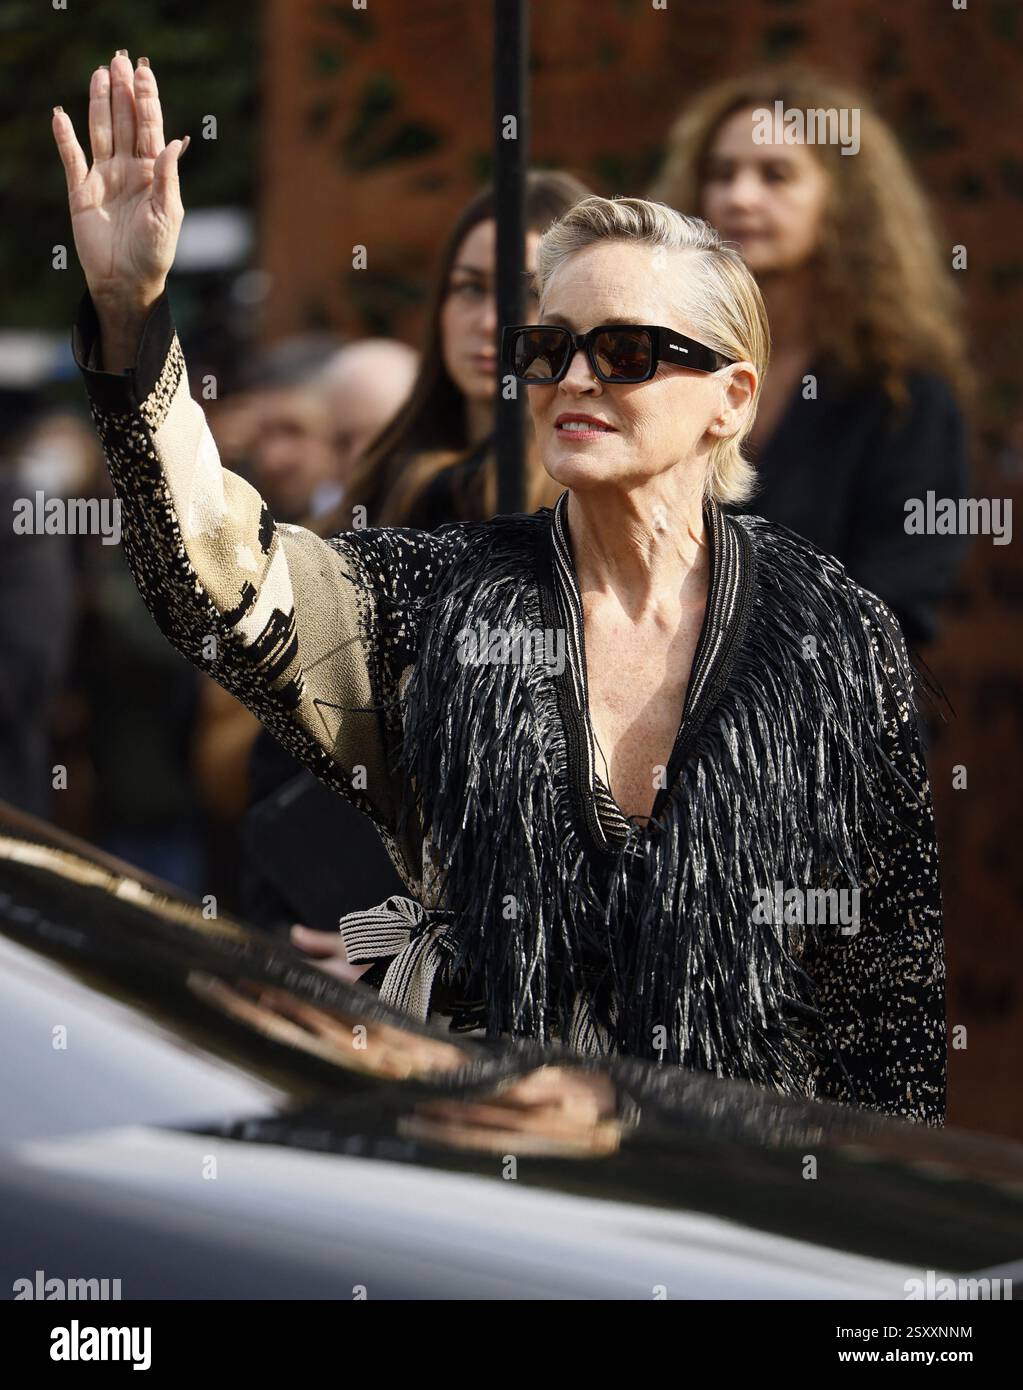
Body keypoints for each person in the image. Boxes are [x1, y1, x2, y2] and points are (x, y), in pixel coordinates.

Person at [54, 54, 946, 1125]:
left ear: (730, 396)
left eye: (624, 351)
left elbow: (885, 990)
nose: (573, 377)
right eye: (548, 346)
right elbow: (223, 579)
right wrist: (132, 318)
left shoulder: (833, 630)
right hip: (492, 1200)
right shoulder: (442, 596)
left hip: (740, 1208)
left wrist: (885, 1252)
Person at [647, 67, 972, 649]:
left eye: (776, 175)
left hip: (832, 719)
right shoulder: (657, 362)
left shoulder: (902, 393)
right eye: (721, 174)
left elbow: (896, 601)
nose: (739, 196)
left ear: (846, 204)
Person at [338, 169, 593, 531]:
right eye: (471, 287)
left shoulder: (590, 496)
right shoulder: (386, 478)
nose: (490, 322)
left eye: (526, 294)